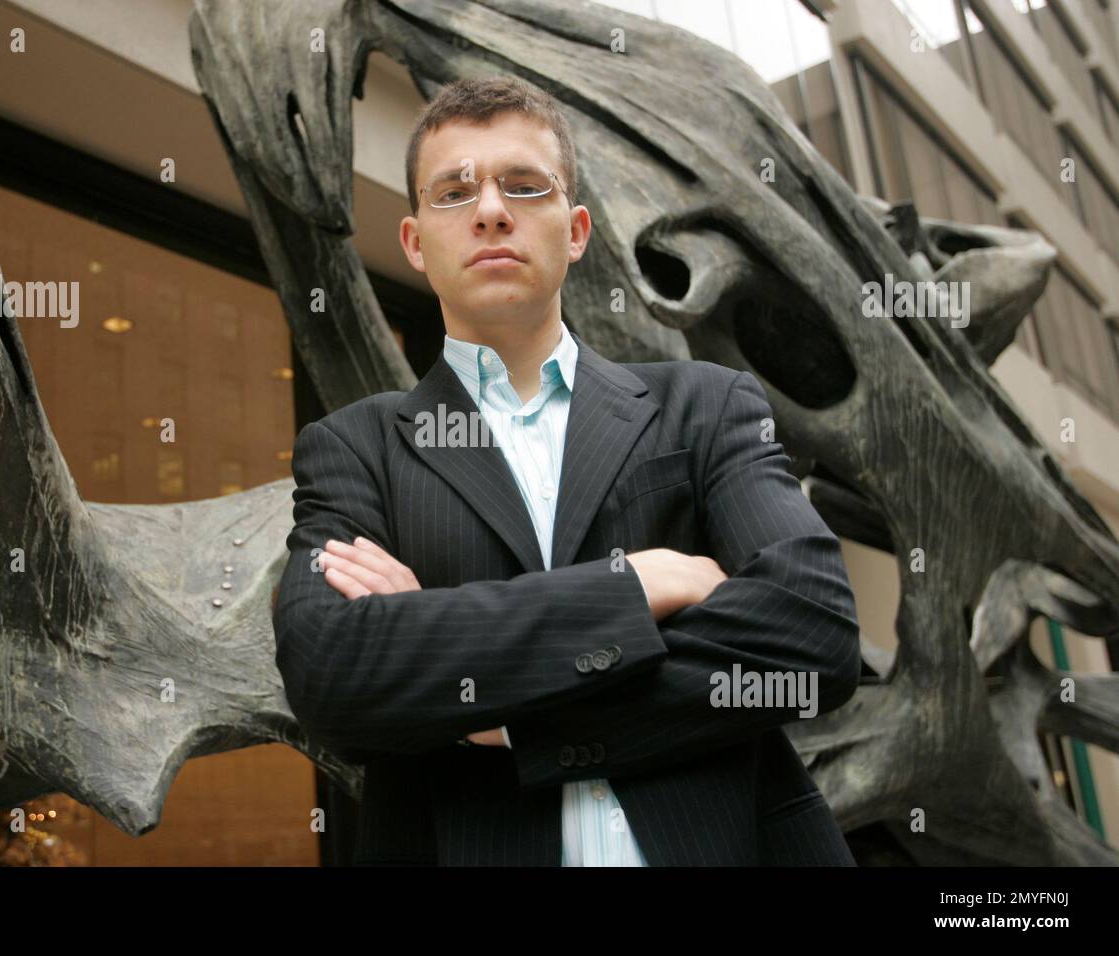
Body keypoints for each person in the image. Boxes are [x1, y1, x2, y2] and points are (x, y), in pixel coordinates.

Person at [272, 75, 861, 866]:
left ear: (576, 229)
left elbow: (813, 632)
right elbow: (334, 674)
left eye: (524, 185)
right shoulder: (355, 447)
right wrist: (638, 587)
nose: (490, 210)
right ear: (414, 241)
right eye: (453, 192)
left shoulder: (703, 407)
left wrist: (496, 707)